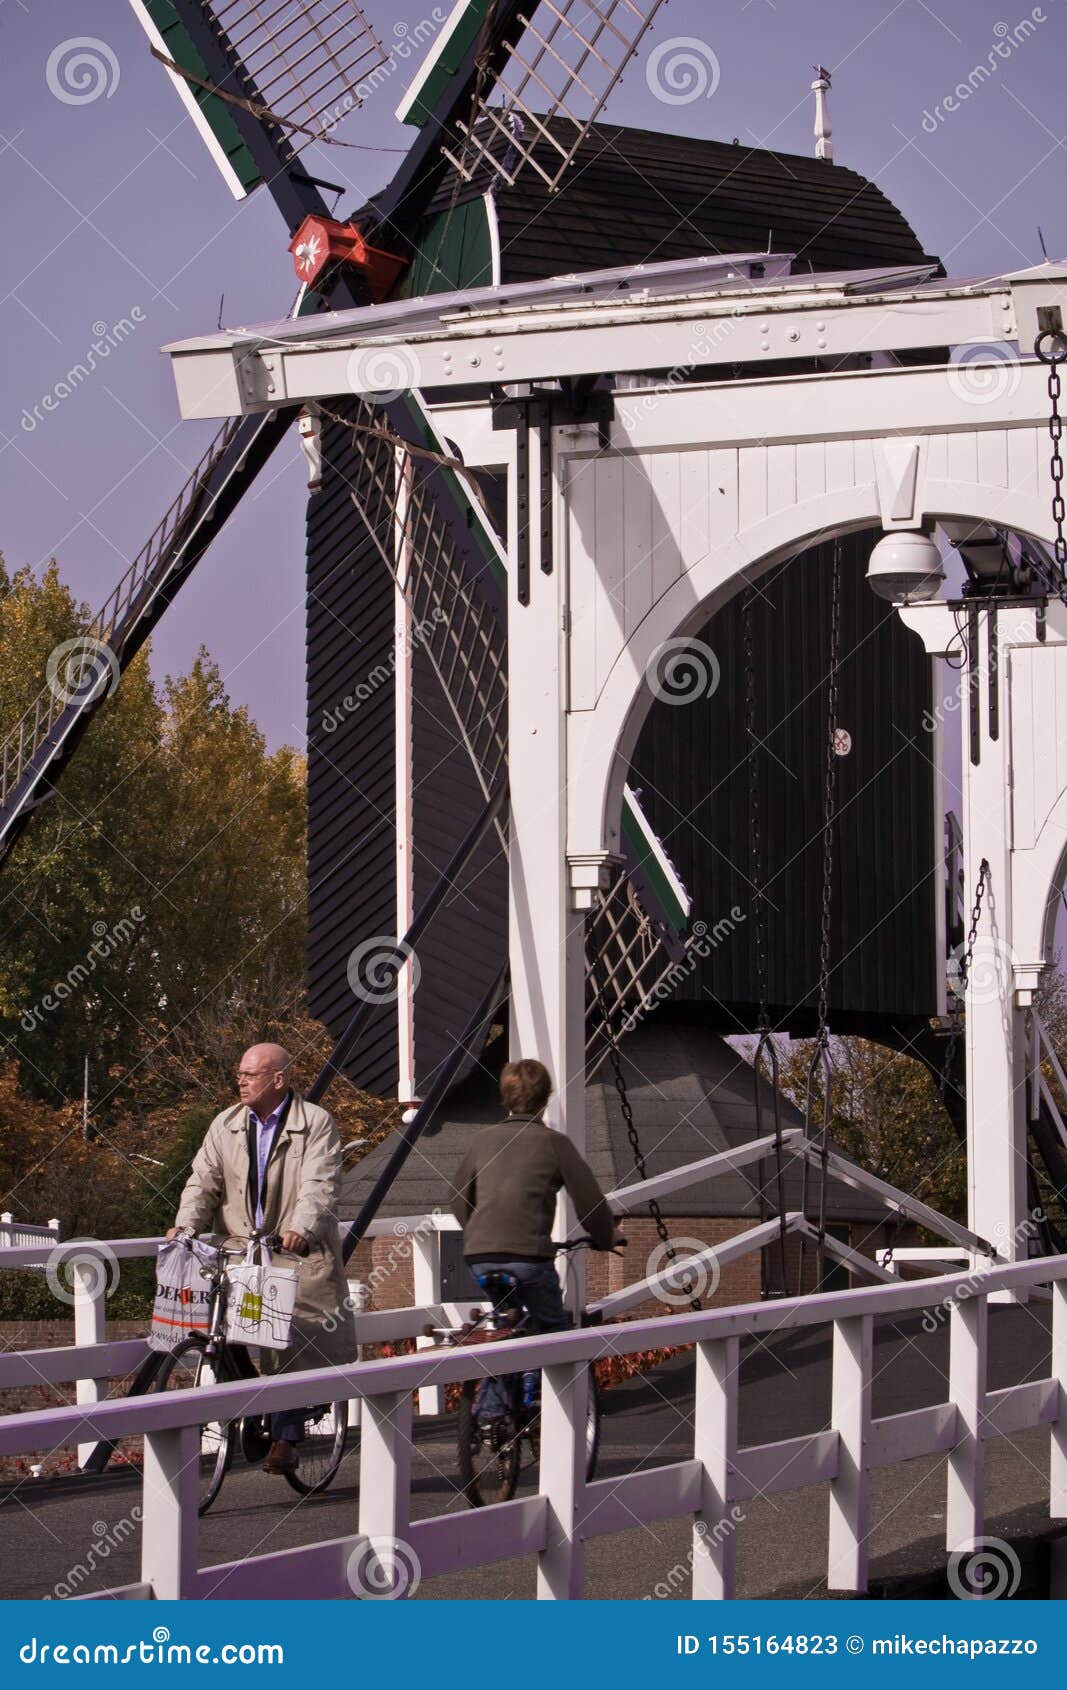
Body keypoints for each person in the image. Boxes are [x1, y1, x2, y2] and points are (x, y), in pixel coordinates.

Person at [166, 1042, 357, 1475]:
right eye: (240, 1073)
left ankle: (287, 1437)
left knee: (288, 1337)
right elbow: (203, 1181)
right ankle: (253, 1407)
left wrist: (301, 1228)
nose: (241, 1081)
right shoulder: (226, 1125)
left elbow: (320, 1185)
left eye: (250, 1074)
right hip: (241, 1251)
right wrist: (186, 1226)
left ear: (278, 1079)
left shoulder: (316, 1125)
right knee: (224, 1331)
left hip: (293, 1253)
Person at [448, 1057, 619, 1339]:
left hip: (480, 1258)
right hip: (527, 1259)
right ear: (546, 1098)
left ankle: (503, 1377)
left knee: (509, 1324)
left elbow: (456, 1195)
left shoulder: (482, 1140)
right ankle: (555, 1378)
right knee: (554, 1331)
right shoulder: (554, 1143)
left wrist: (483, 1233)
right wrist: (606, 1236)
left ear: (505, 1097)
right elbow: (589, 1202)